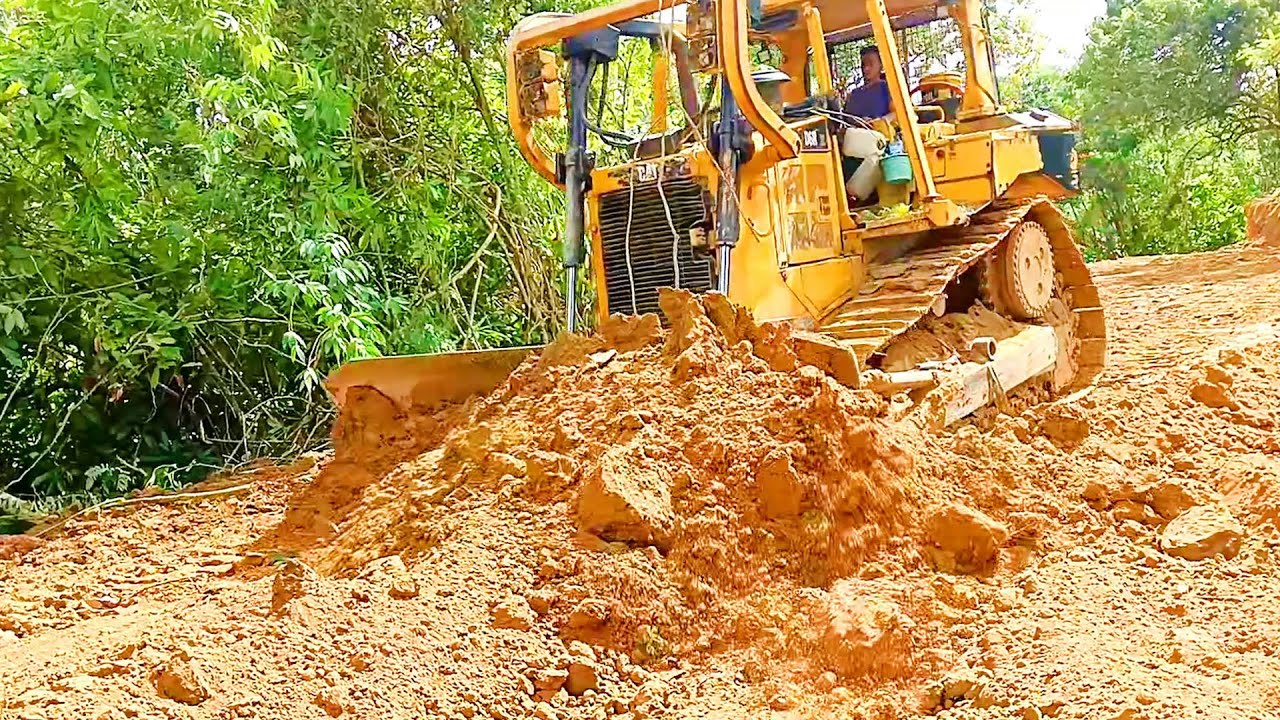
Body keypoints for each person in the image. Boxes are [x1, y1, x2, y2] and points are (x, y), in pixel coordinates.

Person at [844, 45, 892, 119]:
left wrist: (881, 122)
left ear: (881, 65)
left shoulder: (888, 89)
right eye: (863, 64)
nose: (866, 68)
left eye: (870, 64)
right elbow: (847, 118)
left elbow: (896, 114)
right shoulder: (854, 94)